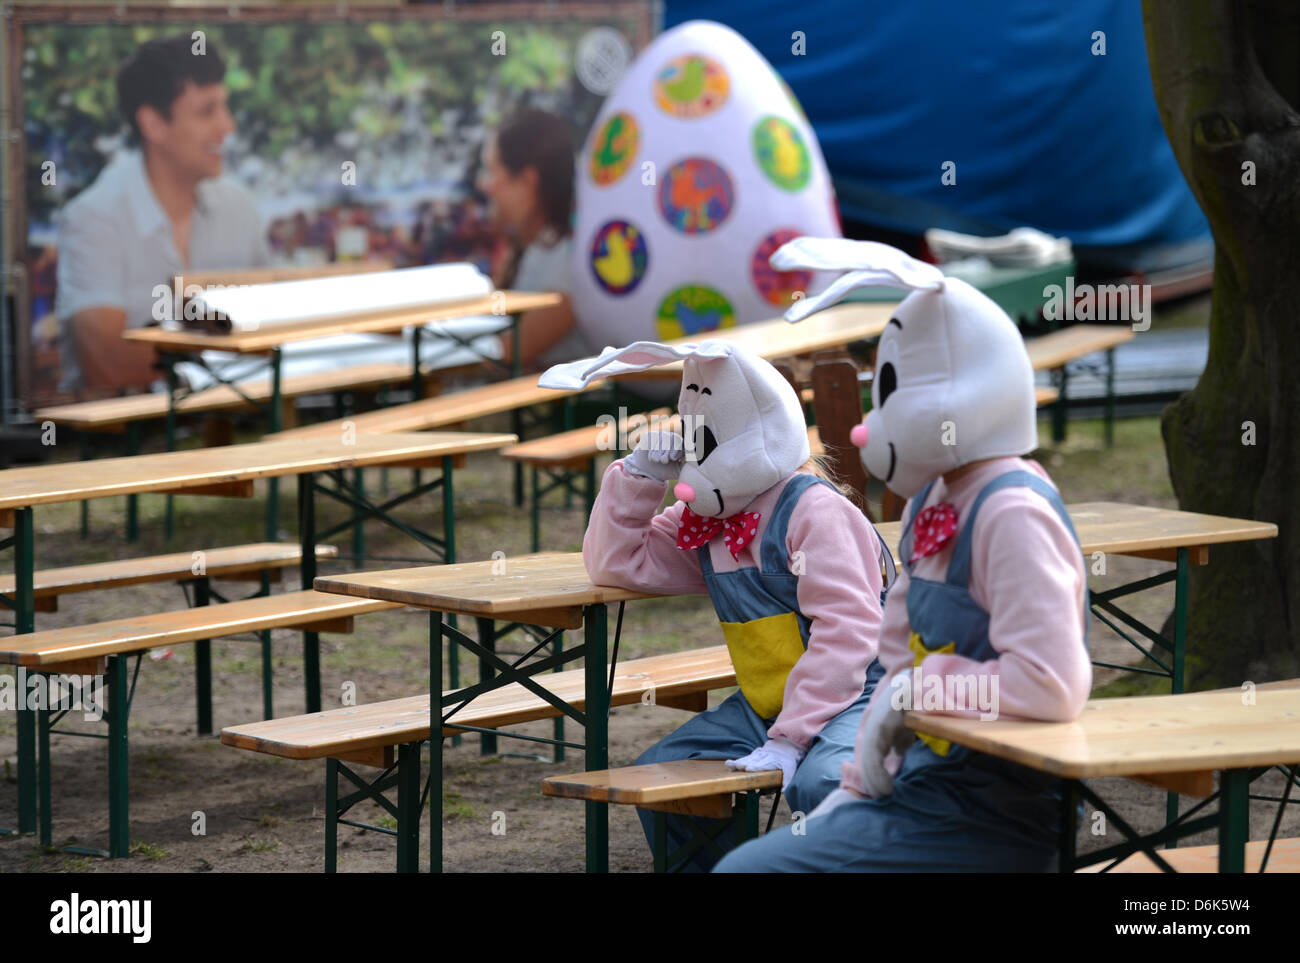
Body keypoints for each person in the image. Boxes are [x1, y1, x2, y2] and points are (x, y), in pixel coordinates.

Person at [714, 238, 1091, 872]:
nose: (866, 427)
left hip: (1003, 808)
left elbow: (1050, 685)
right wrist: (861, 780)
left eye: (890, 393)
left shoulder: (1010, 511)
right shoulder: (929, 503)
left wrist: (920, 692)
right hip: (922, 787)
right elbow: (896, 660)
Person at [540, 339, 894, 872]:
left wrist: (791, 738)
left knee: (829, 782)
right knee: (663, 774)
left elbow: (849, 635)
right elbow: (615, 563)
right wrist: (637, 476)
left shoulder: (816, 511)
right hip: (769, 705)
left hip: (861, 694)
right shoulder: (711, 522)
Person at [55, 34, 270, 396]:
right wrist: (223, 357)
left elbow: (275, 328)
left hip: (235, 426)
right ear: (153, 124)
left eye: (225, 107)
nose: (227, 126)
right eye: (207, 111)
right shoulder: (92, 218)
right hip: (128, 443)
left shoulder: (239, 207)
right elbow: (108, 366)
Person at [476, 108, 580, 368]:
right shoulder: (538, 249)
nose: (483, 184)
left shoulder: (566, 262)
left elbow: (505, 354)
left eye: (491, 171)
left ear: (527, 182)